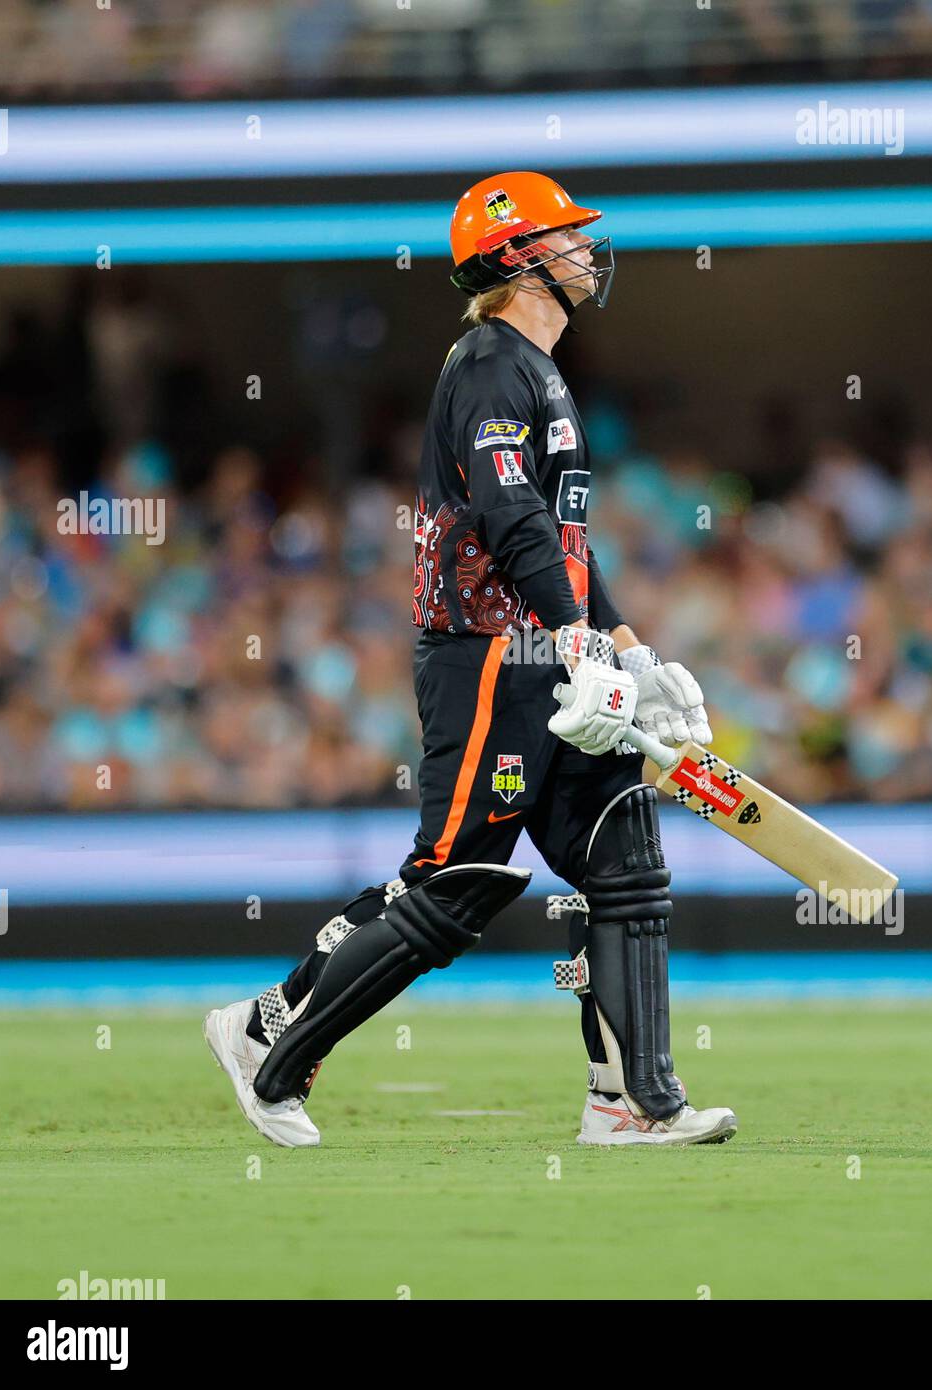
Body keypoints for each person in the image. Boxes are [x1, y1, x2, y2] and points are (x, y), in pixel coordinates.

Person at [205, 172, 737, 1148]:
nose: (586, 250)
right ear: (516, 256)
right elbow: (506, 515)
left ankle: (629, 1101)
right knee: (454, 881)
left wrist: (626, 647)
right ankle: (268, 1036)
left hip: (547, 655)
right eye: (564, 236)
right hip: (487, 658)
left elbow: (562, 542)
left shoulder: (538, 369)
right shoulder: (490, 364)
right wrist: (574, 636)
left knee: (622, 870)